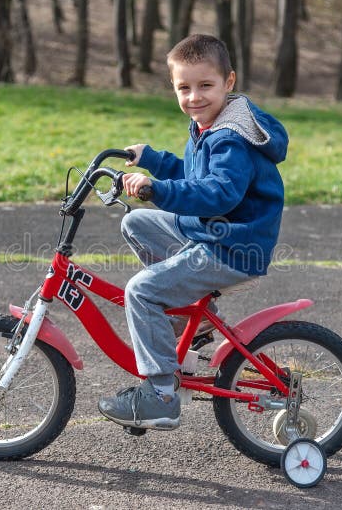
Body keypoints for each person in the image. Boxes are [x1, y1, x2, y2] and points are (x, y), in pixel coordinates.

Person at [98, 34, 289, 431]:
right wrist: (152, 160)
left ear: (228, 82)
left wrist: (156, 190)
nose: (194, 97)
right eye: (184, 88)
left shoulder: (230, 137)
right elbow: (194, 175)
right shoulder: (209, 125)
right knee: (135, 223)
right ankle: (195, 320)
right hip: (217, 233)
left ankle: (161, 396)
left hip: (233, 246)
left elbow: (218, 193)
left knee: (141, 291)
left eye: (205, 85)